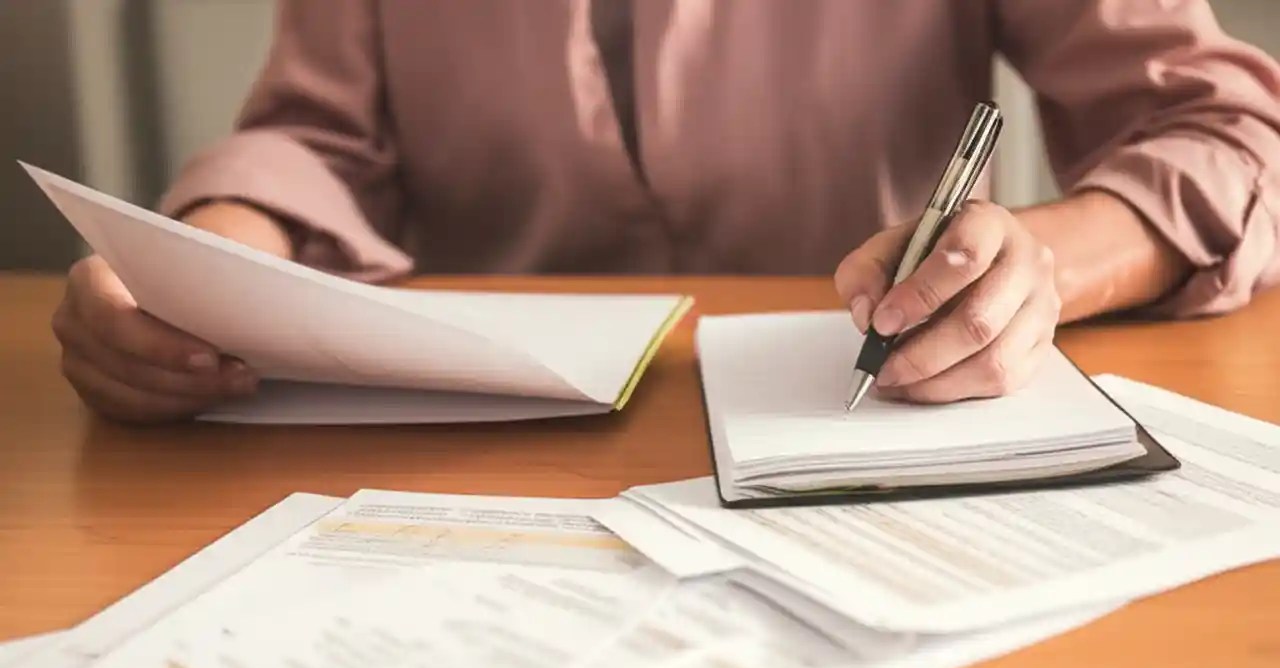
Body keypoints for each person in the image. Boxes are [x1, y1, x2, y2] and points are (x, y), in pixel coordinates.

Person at [51, 0, 1280, 422]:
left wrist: (1046, 265)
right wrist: (195, 278)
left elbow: (1235, 136)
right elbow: (313, 141)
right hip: (476, 460)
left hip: (867, 432)